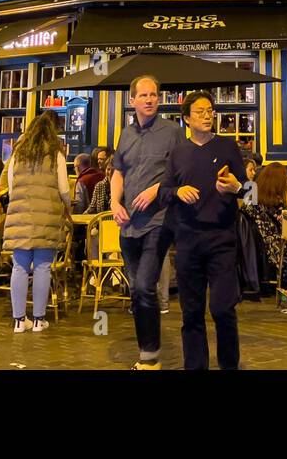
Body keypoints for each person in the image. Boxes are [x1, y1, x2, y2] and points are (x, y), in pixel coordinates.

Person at [158, 90, 244, 370]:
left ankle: (229, 365)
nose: (207, 116)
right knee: (192, 312)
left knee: (222, 308)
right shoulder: (178, 153)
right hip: (188, 240)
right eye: (200, 112)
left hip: (222, 238)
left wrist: (237, 187)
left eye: (210, 111)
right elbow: (164, 192)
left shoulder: (228, 147)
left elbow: (253, 193)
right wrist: (177, 191)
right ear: (186, 119)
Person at [111, 74, 183, 371]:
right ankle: (147, 352)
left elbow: (182, 172)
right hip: (128, 225)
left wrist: (156, 189)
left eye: (154, 94)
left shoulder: (173, 131)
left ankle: (149, 356)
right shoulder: (125, 134)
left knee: (144, 285)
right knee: (137, 292)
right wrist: (114, 202)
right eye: (144, 95)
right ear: (133, 101)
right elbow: (118, 172)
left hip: (159, 221)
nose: (150, 99)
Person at [1, 113, 71, 333]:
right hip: (47, 216)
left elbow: (11, 187)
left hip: (20, 215)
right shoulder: (55, 154)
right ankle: (39, 319)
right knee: (42, 267)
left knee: (20, 267)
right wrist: (67, 208)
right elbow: (64, 189)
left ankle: (19, 321)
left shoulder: (18, 154)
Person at [241, 161, 287, 283]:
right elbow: (285, 228)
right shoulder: (276, 206)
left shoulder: (252, 199)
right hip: (275, 252)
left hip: (257, 252)